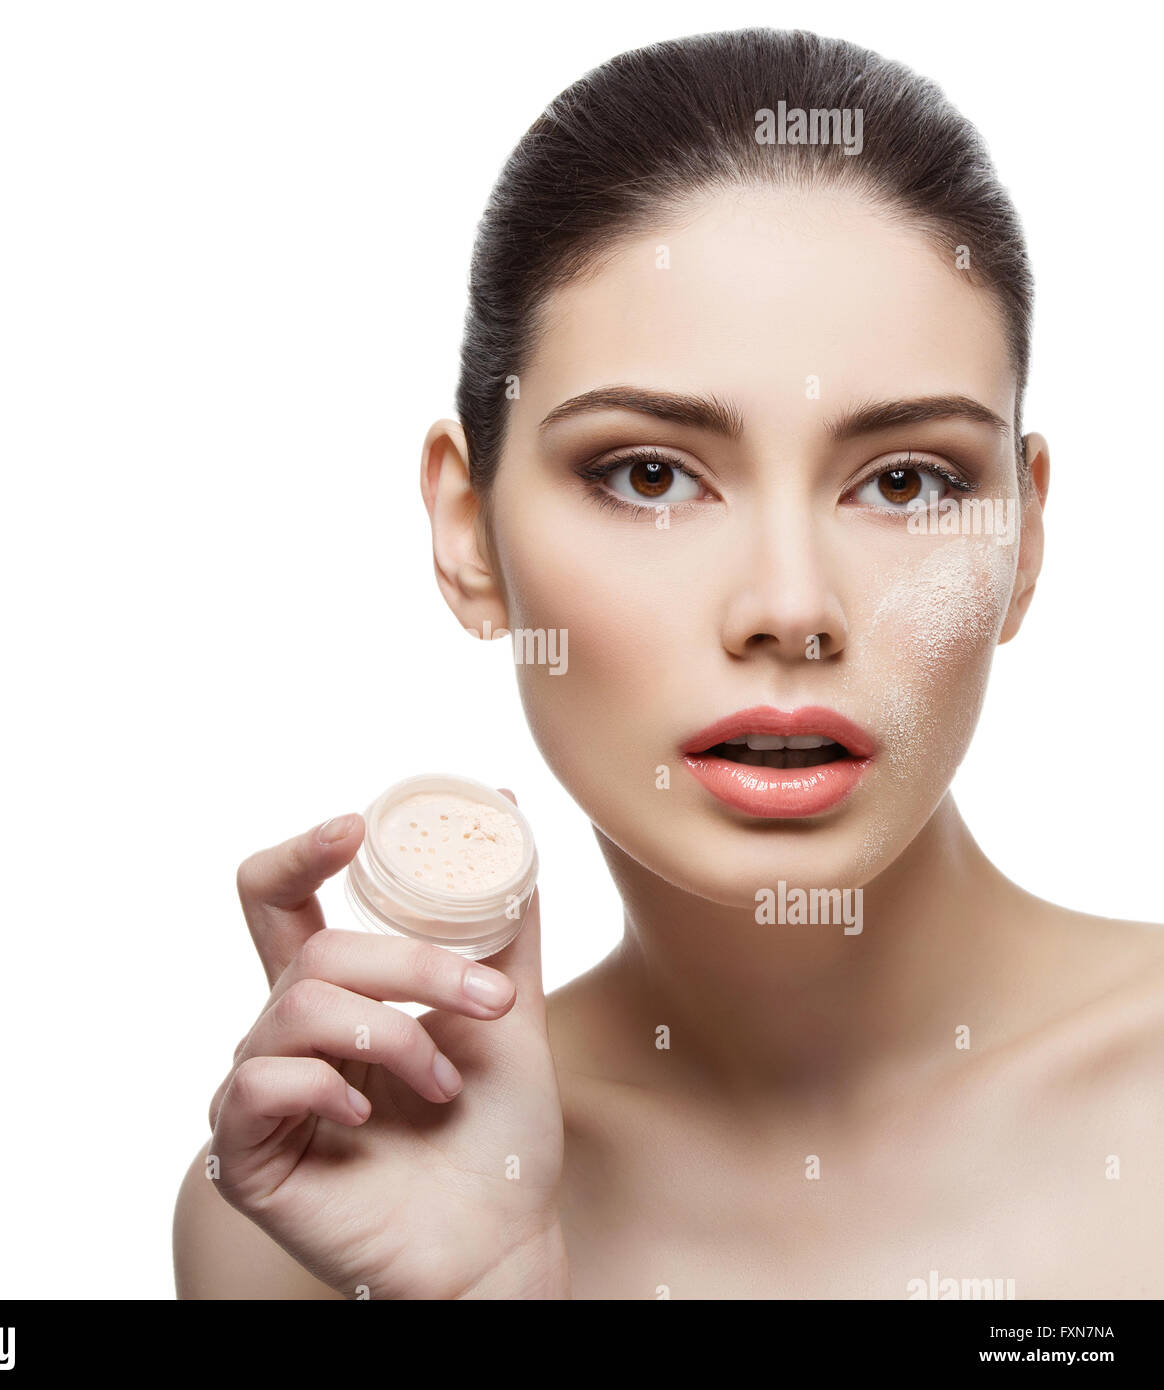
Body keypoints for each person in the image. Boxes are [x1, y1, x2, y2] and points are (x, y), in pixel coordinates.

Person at [173, 27, 1163, 1299]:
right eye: (650, 475)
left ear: (1021, 540)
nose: (790, 609)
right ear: (468, 536)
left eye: (906, 479)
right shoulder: (301, 1220)